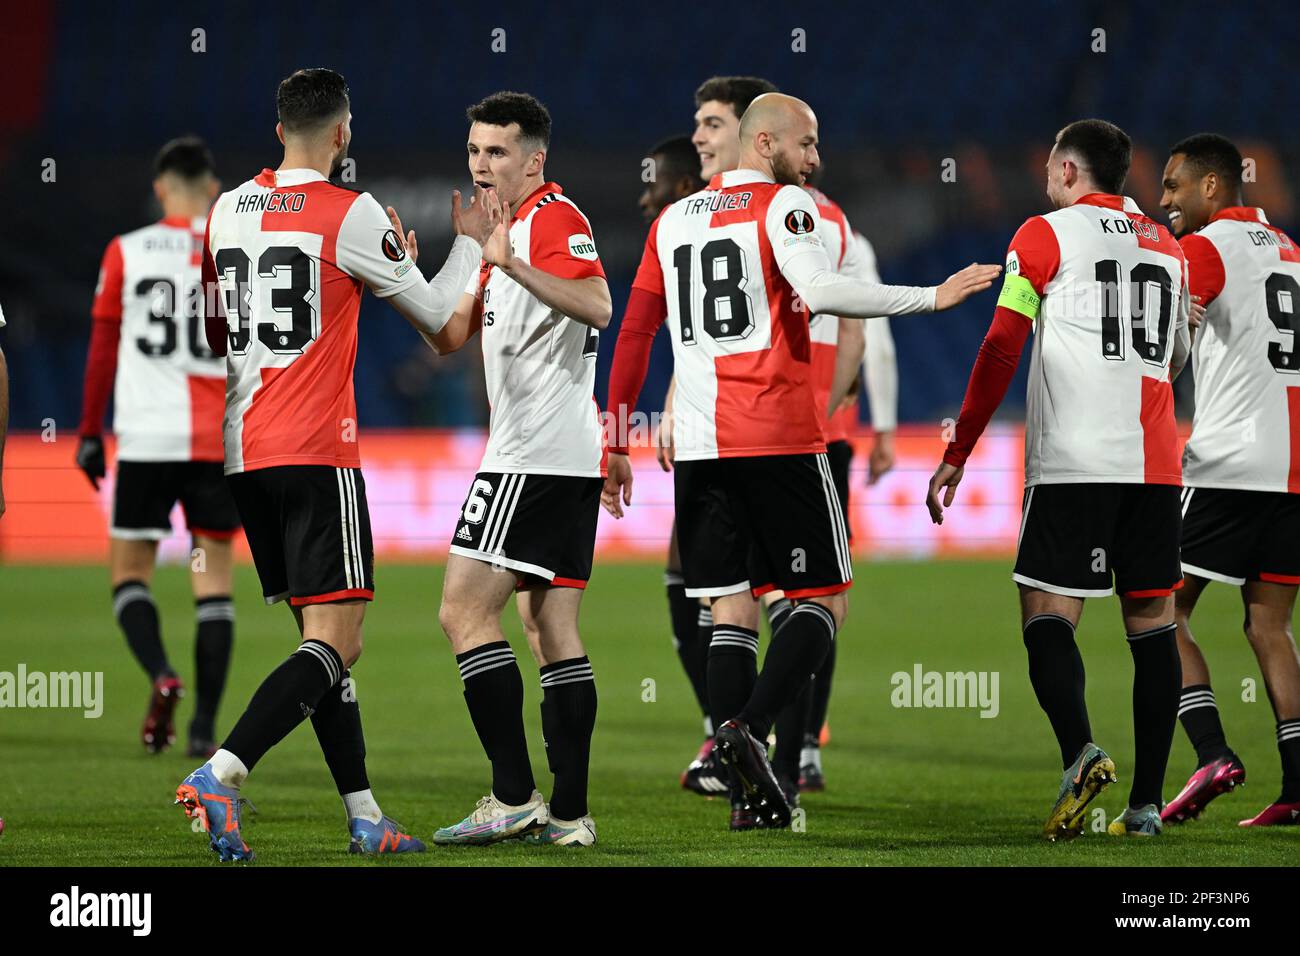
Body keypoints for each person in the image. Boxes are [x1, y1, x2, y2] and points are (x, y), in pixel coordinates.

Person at [607, 91, 998, 829]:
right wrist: (933, 297)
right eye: (807, 144)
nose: (815, 159)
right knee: (824, 601)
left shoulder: (673, 221)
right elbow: (822, 290)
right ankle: (748, 730)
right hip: (778, 437)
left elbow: (634, 331)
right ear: (765, 145)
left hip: (698, 448)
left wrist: (616, 437)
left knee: (729, 610)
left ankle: (747, 798)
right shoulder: (788, 209)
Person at [174, 68, 502, 860]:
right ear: (343, 134)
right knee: (339, 642)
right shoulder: (348, 212)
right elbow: (442, 330)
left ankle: (363, 814)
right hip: (318, 451)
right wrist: (467, 252)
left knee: (320, 648)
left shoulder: (225, 211)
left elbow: (219, 332)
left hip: (245, 451)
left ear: (278, 127)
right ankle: (222, 771)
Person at [928, 119, 1191, 840]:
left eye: (1051, 162)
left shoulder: (1042, 235)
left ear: (1070, 171)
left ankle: (1080, 754)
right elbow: (1173, 359)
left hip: (1074, 460)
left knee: (1046, 614)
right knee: (1152, 628)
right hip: (1156, 465)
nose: (1045, 173)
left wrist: (961, 445)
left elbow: (1003, 341)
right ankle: (1145, 807)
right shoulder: (1169, 248)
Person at [425, 92, 610, 848]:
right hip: (560, 457)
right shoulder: (498, 233)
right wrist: (433, 264)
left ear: (534, 159)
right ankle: (569, 814)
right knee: (547, 626)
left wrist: (513, 263)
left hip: (532, 456)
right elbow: (449, 334)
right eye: (474, 150)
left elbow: (598, 302)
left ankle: (512, 795)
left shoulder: (553, 220)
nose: (481, 164)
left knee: (462, 612)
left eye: (497, 152)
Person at [75, 137, 237, 757]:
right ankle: (203, 729)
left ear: (161, 187)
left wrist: (90, 433)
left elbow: (101, 351)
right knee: (210, 582)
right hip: (213, 445)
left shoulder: (127, 251)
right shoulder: (229, 248)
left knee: (130, 575)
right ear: (212, 189)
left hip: (147, 442)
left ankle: (162, 675)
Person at [1157, 132, 1300, 828]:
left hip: (1229, 464)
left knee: (1159, 608)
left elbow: (1167, 341)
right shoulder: (1292, 253)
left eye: (1174, 186)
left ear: (1213, 187)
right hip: (1294, 468)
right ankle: (1298, 786)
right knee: (1270, 624)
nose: (1164, 201)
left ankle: (1211, 751)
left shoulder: (1204, 251)